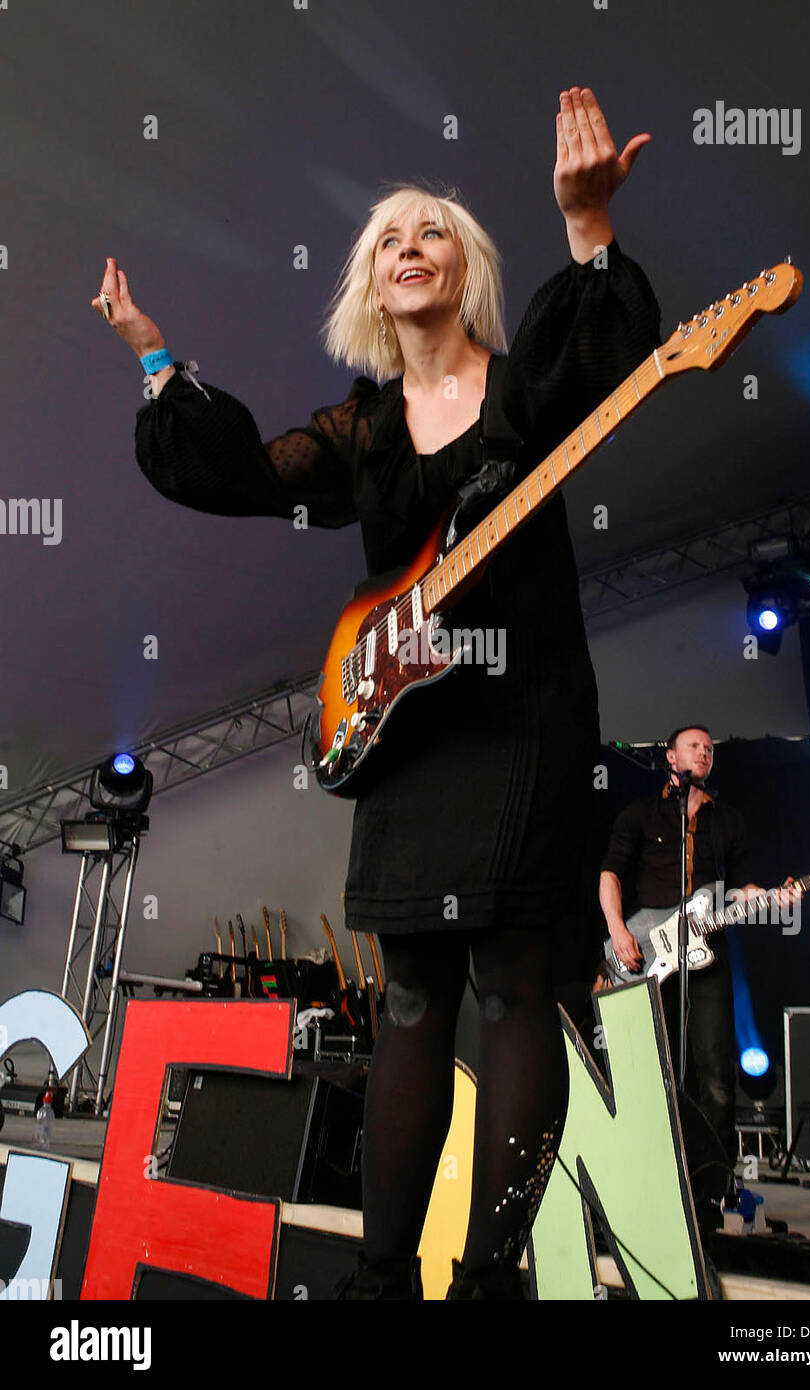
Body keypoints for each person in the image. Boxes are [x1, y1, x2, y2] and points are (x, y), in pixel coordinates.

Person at [93, 87, 662, 1299]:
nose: (411, 246)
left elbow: (609, 359)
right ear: (370, 281)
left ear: (467, 268)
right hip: (406, 730)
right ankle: (382, 1279)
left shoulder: (524, 389)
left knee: (517, 990)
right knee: (409, 997)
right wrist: (152, 352)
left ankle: (490, 1280)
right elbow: (245, 475)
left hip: (518, 715)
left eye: (433, 231)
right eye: (390, 236)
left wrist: (588, 226)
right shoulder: (362, 430)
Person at [599, 725, 795, 1166]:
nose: (704, 752)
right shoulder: (640, 814)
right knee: (653, 1067)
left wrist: (773, 897)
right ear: (671, 757)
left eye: (709, 748)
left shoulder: (727, 820)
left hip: (708, 952)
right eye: (694, 746)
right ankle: (653, 1169)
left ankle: (714, 1179)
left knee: (716, 1074)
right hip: (649, 950)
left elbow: (742, 889)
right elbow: (610, 873)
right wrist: (617, 929)